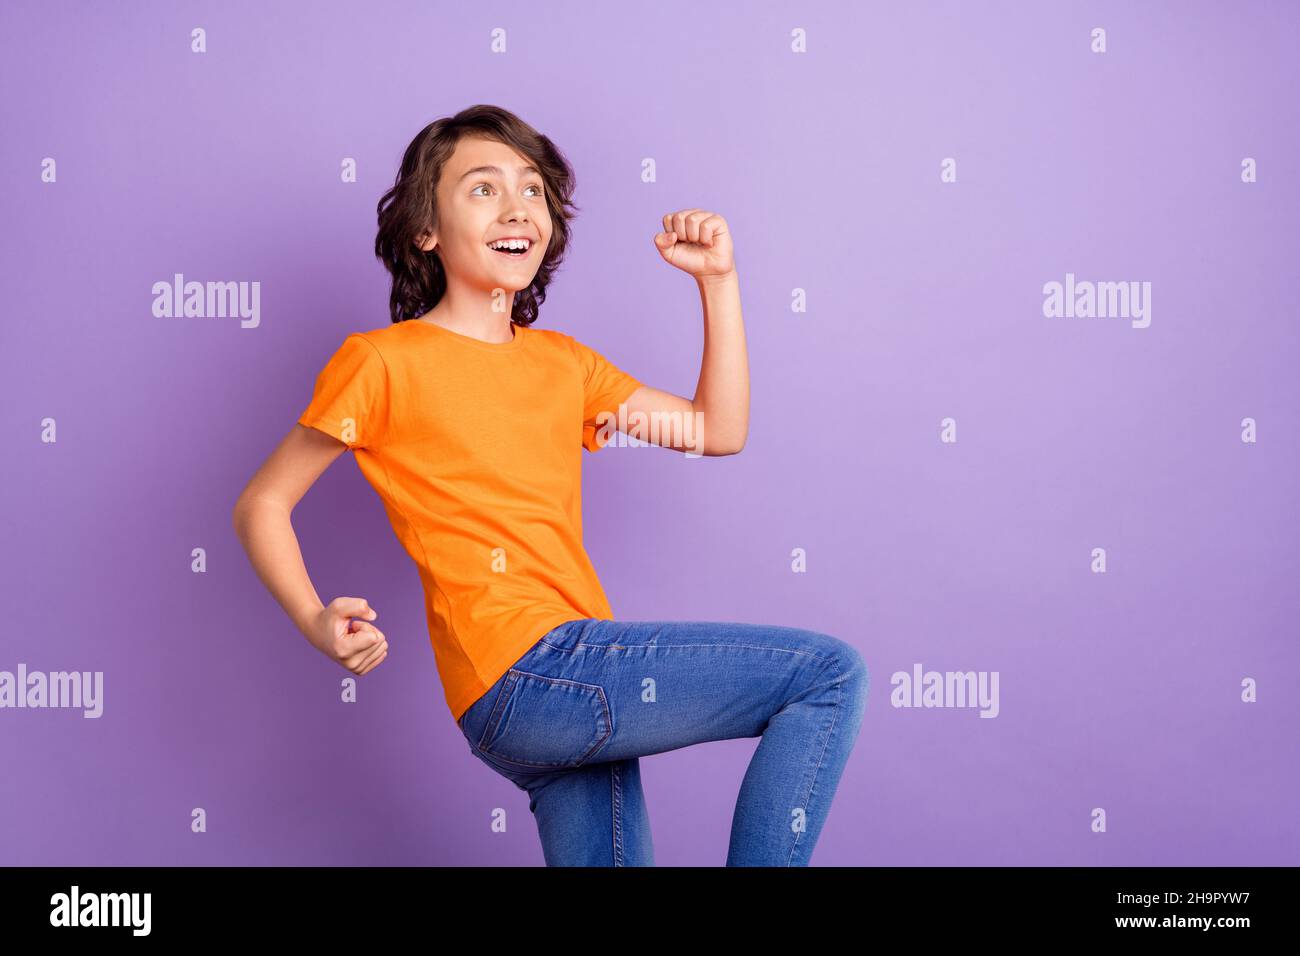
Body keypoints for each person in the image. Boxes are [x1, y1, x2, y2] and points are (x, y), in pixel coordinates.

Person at [232, 104, 869, 866]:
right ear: (424, 231)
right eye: (482, 188)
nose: (516, 208)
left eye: (532, 190)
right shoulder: (382, 362)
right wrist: (312, 617)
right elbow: (262, 501)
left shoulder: (565, 365)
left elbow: (715, 430)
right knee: (826, 675)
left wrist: (719, 283)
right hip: (534, 669)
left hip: (559, 691)